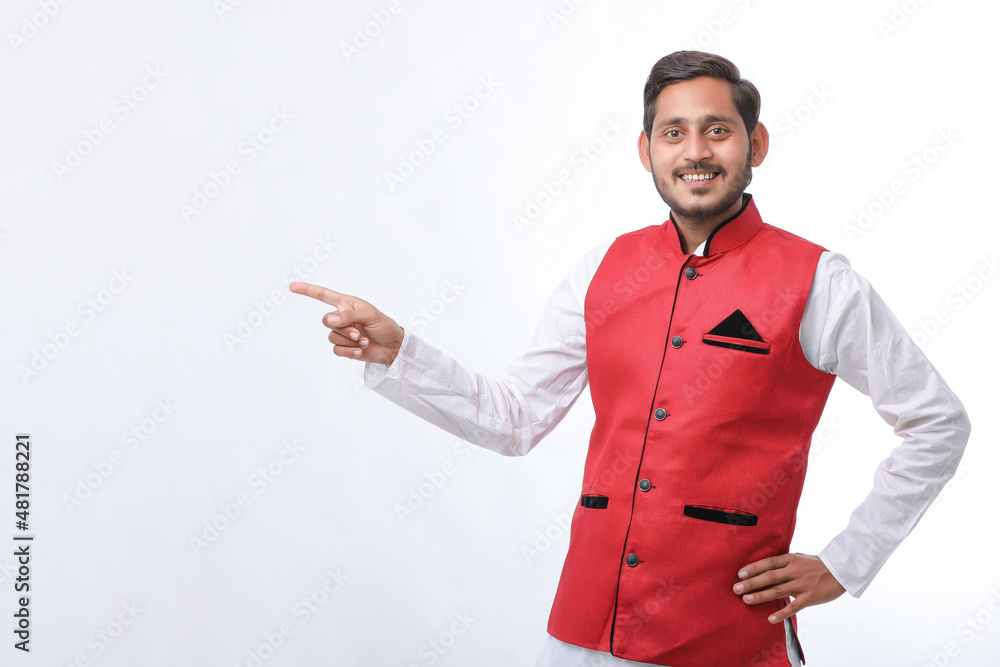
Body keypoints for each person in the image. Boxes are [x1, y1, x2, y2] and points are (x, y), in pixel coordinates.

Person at [290, 51, 970, 667]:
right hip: (583, 636)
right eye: (673, 132)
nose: (695, 150)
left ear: (754, 143)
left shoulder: (819, 280)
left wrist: (846, 563)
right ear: (646, 150)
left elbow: (937, 421)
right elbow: (515, 416)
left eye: (717, 129)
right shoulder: (602, 268)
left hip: (726, 639)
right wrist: (400, 352)